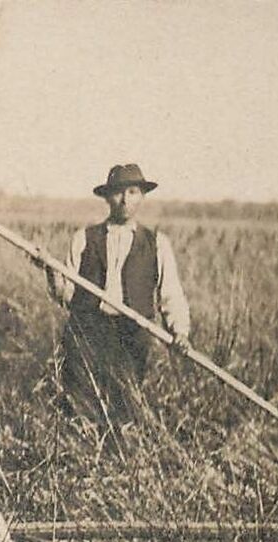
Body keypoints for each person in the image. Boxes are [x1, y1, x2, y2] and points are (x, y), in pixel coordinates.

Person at [45, 164, 193, 431]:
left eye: (133, 192)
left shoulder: (157, 243)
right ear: (106, 197)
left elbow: (171, 294)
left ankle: (118, 462)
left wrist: (179, 332)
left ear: (142, 196)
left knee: (124, 410)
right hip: (87, 332)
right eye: (118, 193)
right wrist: (50, 271)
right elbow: (65, 296)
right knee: (80, 408)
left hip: (132, 334)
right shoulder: (83, 238)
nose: (125, 200)